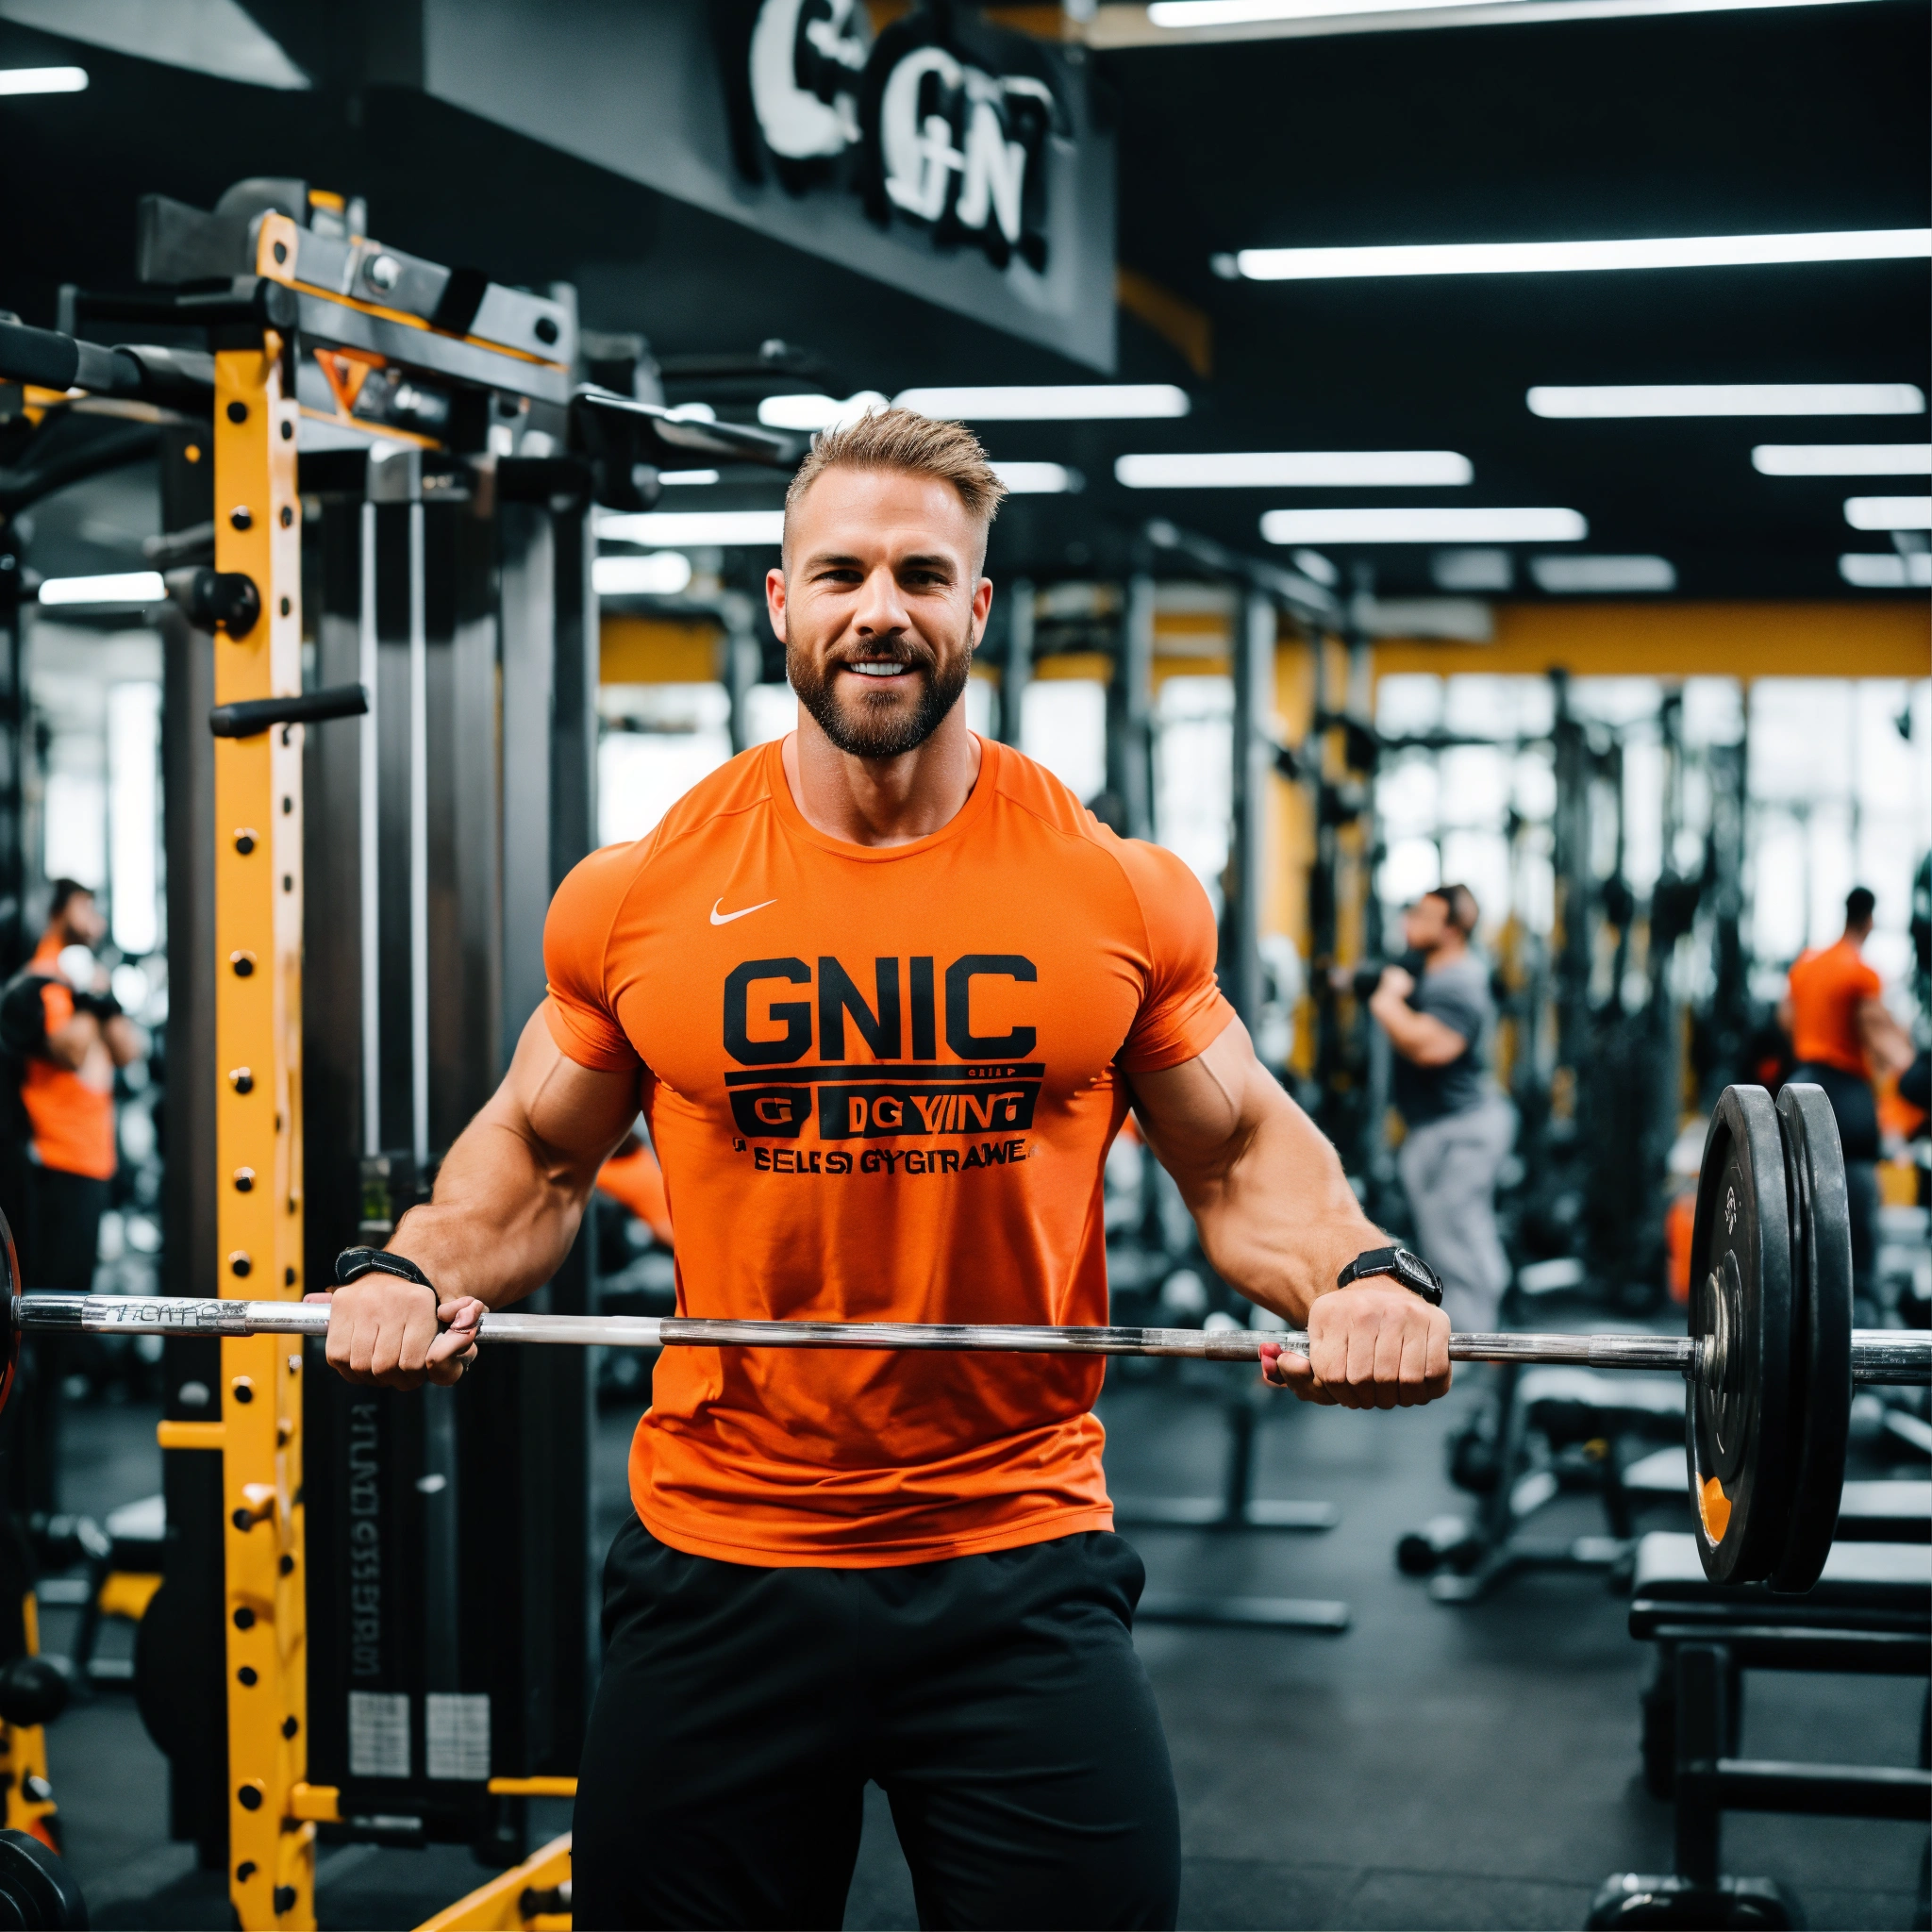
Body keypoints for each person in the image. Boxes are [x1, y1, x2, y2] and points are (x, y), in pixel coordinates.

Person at [318, 409, 1453, 1932]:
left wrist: (1360, 1271)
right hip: (719, 1557)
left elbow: (1242, 1151)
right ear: (780, 599)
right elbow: (530, 1153)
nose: (880, 610)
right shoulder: (640, 890)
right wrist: (411, 1264)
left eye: (923, 574)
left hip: (1015, 1554)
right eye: (839, 571)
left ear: (974, 607)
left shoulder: (1111, 886)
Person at [1368, 886, 1515, 1334]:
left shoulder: (1459, 980)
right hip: (1440, 1127)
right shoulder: (1431, 971)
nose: (1410, 921)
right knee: (1453, 1235)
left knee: (1455, 1239)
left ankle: (1474, 1350)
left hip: (1462, 1130)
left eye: (1424, 915)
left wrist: (1385, 1000)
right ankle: (1486, 1329)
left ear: (1452, 930)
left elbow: (1431, 1046)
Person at [0, 881, 142, 1291]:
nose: (97, 920)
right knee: (53, 1299)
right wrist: (87, 994)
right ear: (66, 909)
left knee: (80, 1288)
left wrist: (99, 996)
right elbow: (74, 1050)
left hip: (95, 1156)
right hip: (55, 1159)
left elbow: (127, 1050)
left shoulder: (87, 980)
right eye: (88, 907)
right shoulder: (40, 982)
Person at [1781, 886, 1914, 1312]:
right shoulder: (1860, 973)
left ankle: (1799, 1308)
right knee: (1856, 1215)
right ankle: (1861, 1317)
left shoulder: (1805, 966)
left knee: (1800, 1202)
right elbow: (1877, 1033)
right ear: (1869, 919)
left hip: (1801, 1086)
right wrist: (1912, 1067)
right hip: (1845, 1098)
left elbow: (1787, 1018)